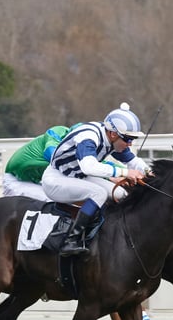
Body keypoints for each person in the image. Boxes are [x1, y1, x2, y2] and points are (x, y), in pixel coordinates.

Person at [41, 103, 148, 257]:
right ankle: (71, 240)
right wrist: (125, 172)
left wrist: (150, 173)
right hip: (56, 179)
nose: (130, 143)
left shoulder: (112, 139)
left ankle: (108, 232)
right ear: (113, 134)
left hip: (77, 176)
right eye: (128, 139)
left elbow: (132, 161)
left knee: (121, 194)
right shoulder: (89, 136)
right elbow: (88, 167)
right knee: (98, 193)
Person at [1, 124, 76, 200]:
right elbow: (50, 153)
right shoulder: (59, 131)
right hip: (16, 181)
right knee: (53, 203)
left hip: (35, 182)